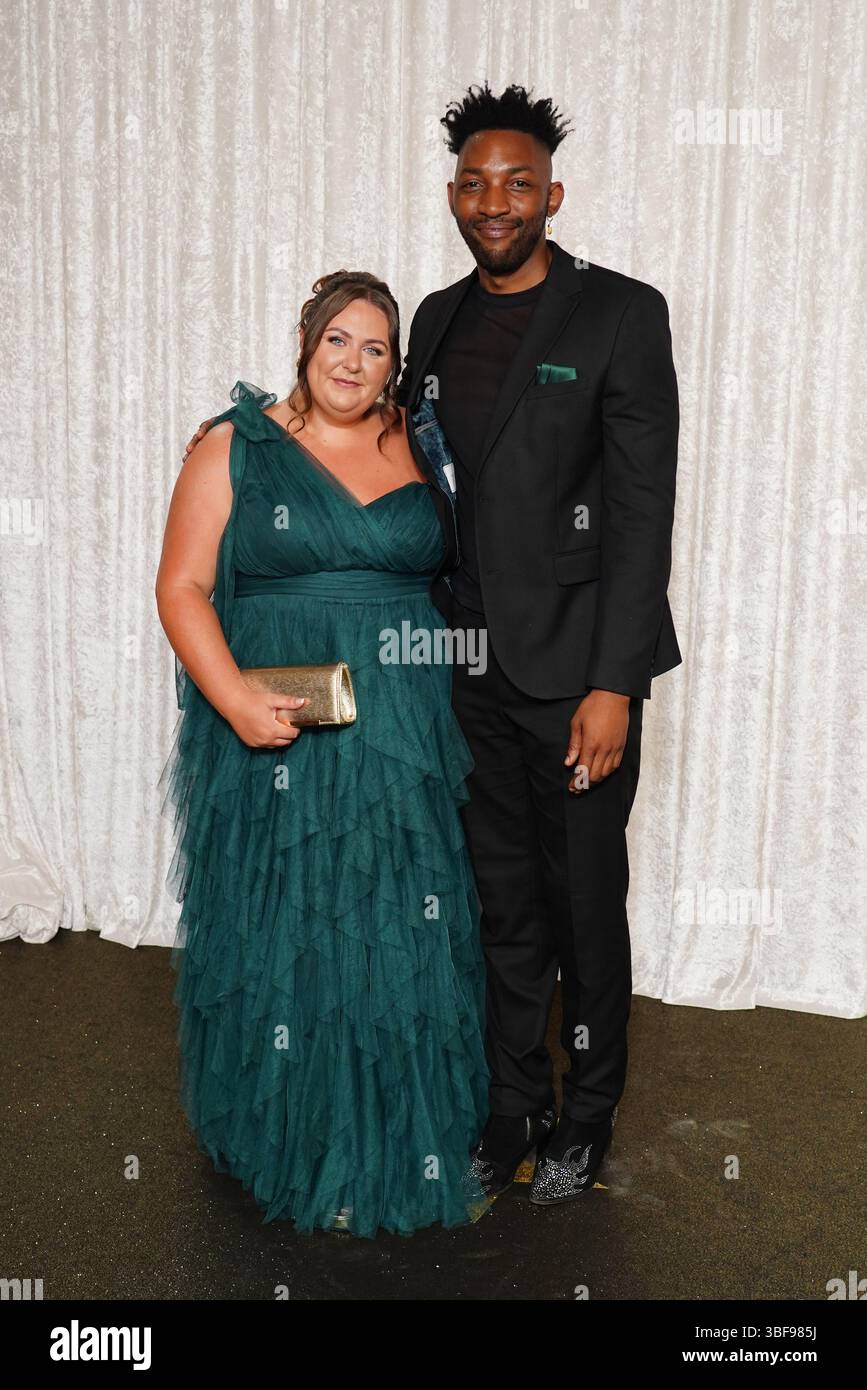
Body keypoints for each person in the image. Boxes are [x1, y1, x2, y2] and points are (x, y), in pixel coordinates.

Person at [391, 83, 683, 1205]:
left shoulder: (620, 313)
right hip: (466, 673)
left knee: (582, 901)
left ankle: (589, 1110)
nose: (495, 200)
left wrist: (613, 684)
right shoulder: (437, 317)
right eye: (475, 182)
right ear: (454, 196)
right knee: (500, 900)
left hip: (575, 675)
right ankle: (514, 1101)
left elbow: (642, 510)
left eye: (518, 182)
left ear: (551, 194)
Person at [156, 270, 491, 1237]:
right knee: (294, 922)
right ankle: (296, 1131)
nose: (354, 361)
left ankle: (393, 1131)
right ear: (305, 340)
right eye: (338, 339)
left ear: (397, 364)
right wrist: (234, 699)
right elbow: (180, 585)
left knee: (396, 920)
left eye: (376, 346)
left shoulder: (423, 445)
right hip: (278, 723)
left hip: (404, 724)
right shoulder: (236, 445)